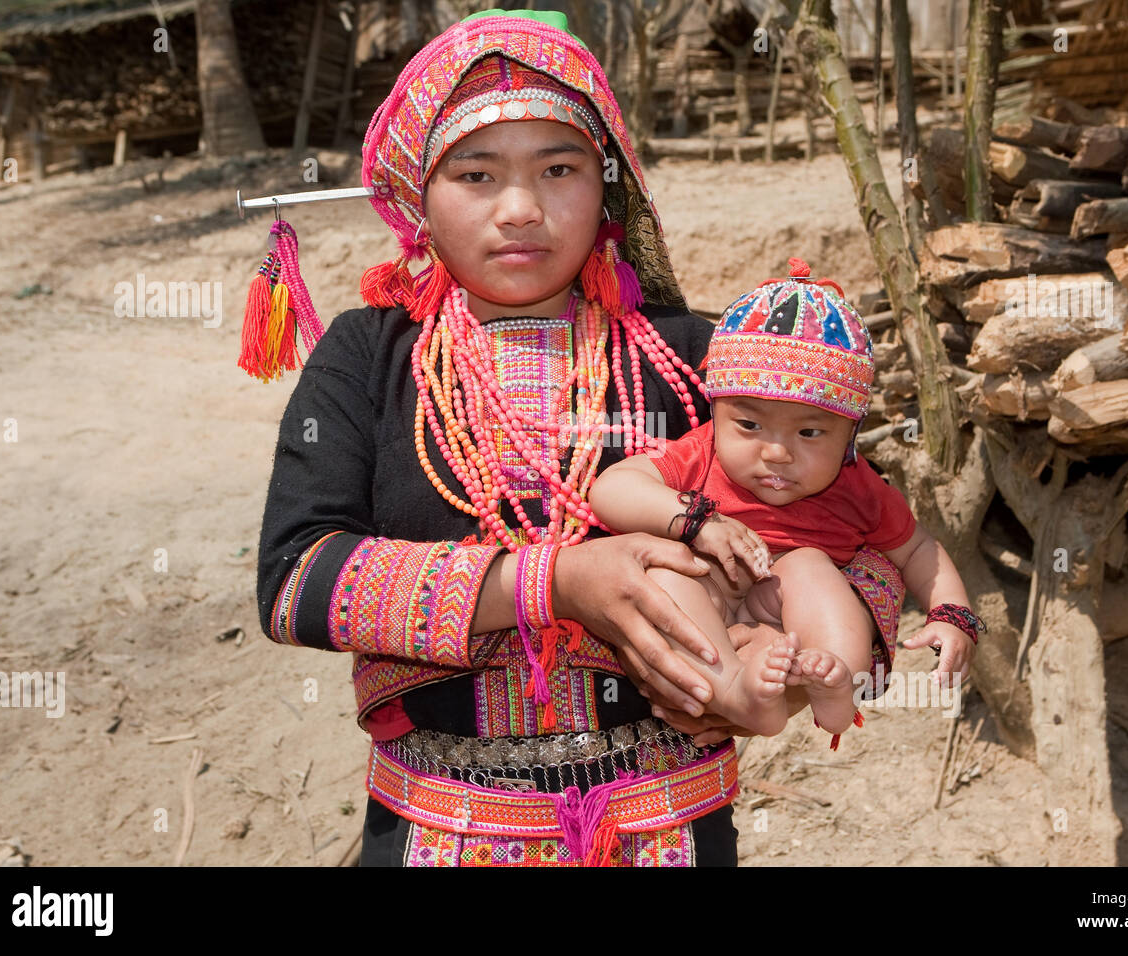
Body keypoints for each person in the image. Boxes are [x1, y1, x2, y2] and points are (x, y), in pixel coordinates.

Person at [252, 10, 910, 867]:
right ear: (421, 193)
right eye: (476, 174)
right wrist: (553, 582)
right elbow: (296, 580)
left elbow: (870, 538)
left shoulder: (697, 361)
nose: (520, 210)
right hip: (437, 831)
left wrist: (797, 662)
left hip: (671, 821)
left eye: (558, 168)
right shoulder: (367, 358)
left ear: (608, 183)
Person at [589, 260, 984, 741]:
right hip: (709, 596)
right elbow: (611, 488)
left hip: (786, 621)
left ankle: (837, 681)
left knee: (811, 567)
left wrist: (951, 613)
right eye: (749, 425)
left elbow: (919, 550)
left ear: (850, 436)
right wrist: (695, 522)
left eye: (811, 432)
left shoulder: (857, 485)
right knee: (669, 573)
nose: (776, 452)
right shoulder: (701, 452)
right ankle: (738, 692)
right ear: (717, 409)